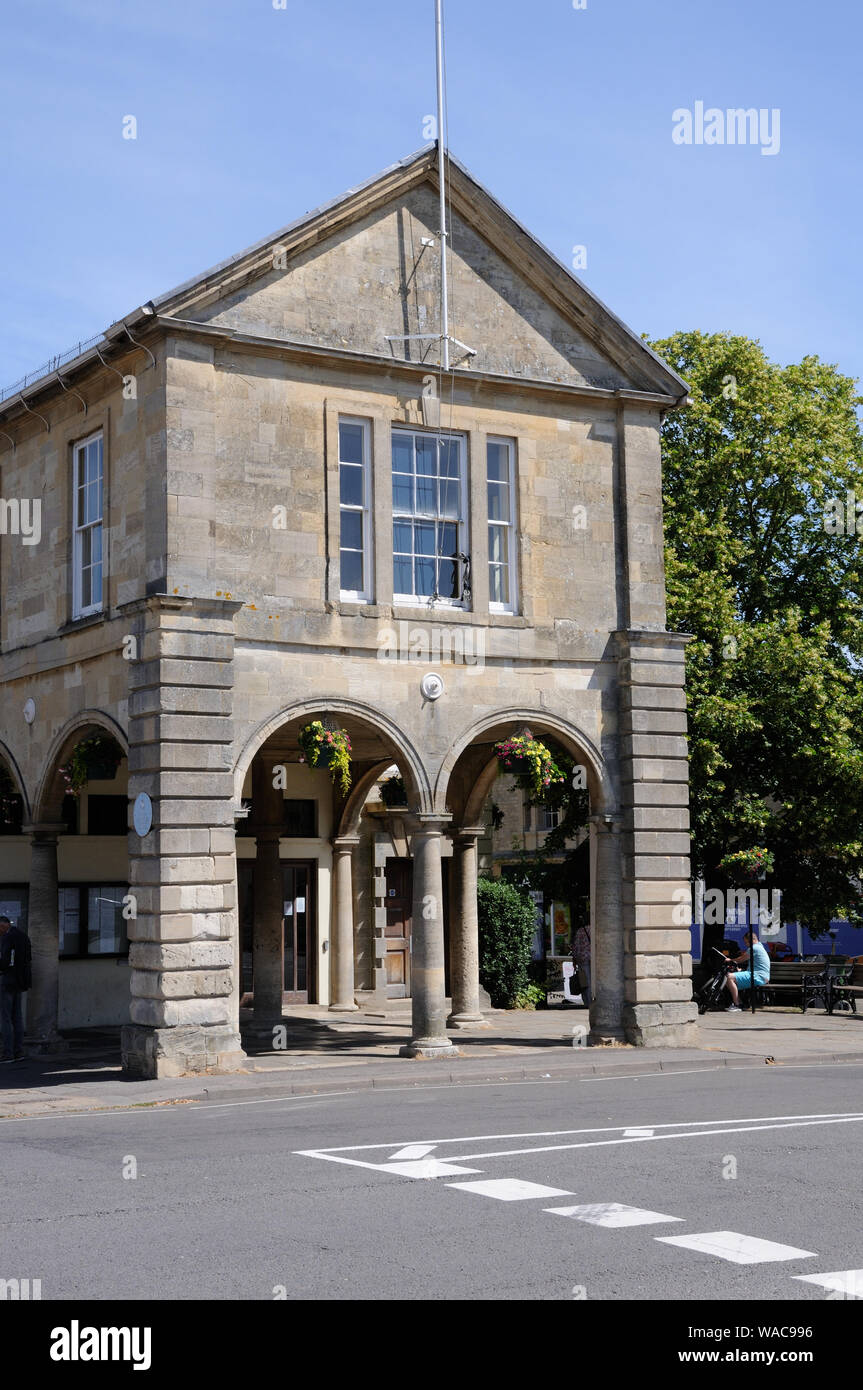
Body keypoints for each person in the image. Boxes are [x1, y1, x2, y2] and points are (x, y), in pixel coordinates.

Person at [0, 914, 31, 1063]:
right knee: (17, 1017)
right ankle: (19, 1051)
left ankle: (8, 1053)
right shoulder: (23, 936)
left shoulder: (7, 938)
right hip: (19, 981)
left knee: (5, 1018)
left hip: (7, 981)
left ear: (3, 926)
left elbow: (5, 962)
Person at [723, 929, 770, 1012]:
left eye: (746, 942)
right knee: (735, 976)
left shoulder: (754, 948)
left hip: (758, 976)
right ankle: (742, 1003)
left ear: (752, 940)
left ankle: (738, 1004)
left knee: (728, 977)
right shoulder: (760, 946)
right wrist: (741, 970)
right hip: (761, 975)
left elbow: (741, 959)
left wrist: (730, 960)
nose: (746, 944)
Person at [572, 923, 591, 1006]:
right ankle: (594, 1002)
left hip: (582, 959)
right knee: (595, 981)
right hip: (595, 959)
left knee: (584, 982)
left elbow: (576, 946)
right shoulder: (596, 929)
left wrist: (574, 959)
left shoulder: (580, 931)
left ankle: (587, 1002)